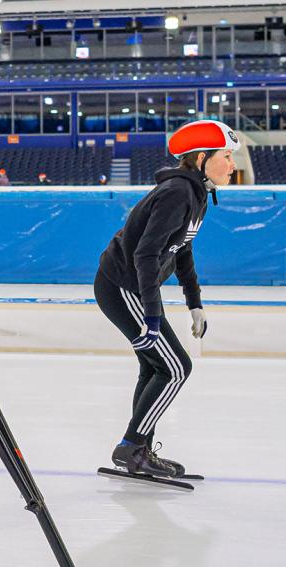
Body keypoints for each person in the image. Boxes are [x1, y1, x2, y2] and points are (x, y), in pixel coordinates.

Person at [93, 119, 238, 478]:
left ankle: (138, 450)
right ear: (202, 158)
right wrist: (152, 317)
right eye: (226, 156)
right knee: (176, 368)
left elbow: (182, 250)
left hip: (133, 286)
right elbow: (145, 254)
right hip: (122, 285)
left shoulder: (197, 194)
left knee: (156, 367)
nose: (233, 165)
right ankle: (131, 447)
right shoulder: (177, 193)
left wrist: (194, 302)